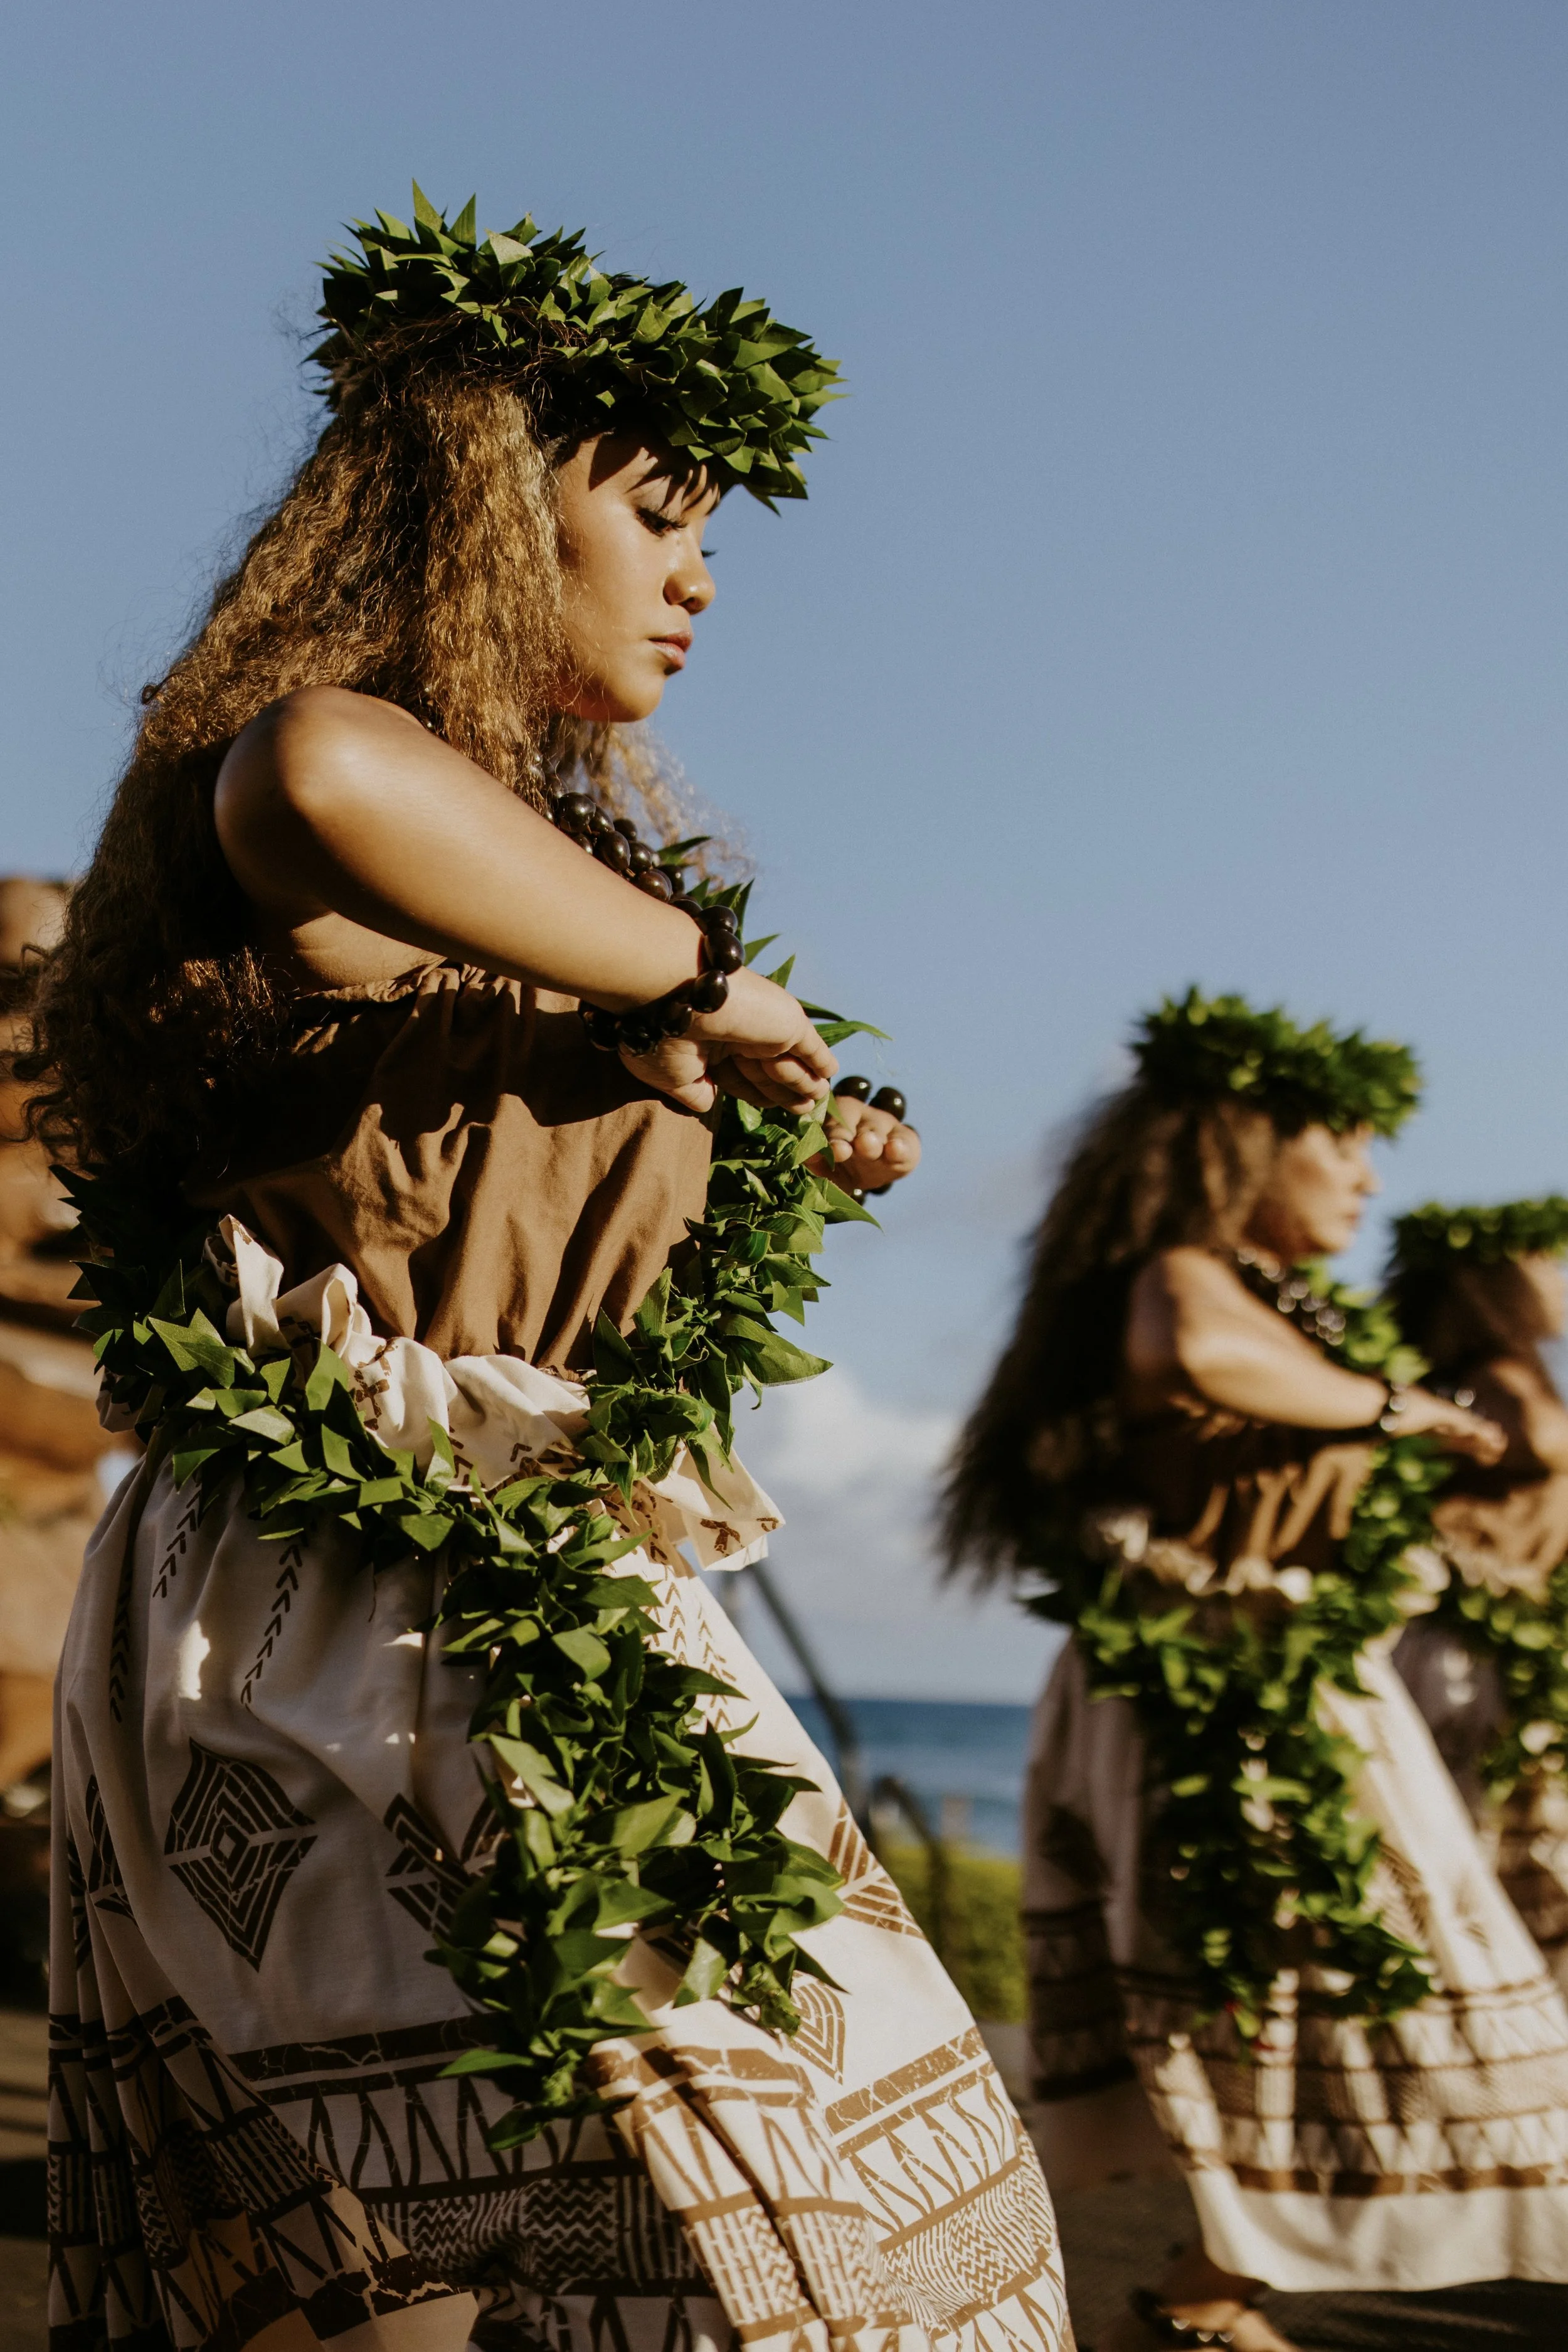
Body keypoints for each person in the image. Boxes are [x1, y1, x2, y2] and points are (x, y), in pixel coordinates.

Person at [29, 190, 1072, 2352]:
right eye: (660, 514)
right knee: (672, 2254)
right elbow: (326, 765)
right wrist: (697, 980)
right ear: (503, 513)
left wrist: (729, 1103)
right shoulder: (316, 776)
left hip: (539, 1586)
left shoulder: (529, 885)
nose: (701, 578)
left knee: (841, 2228)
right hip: (358, 1609)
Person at [943, 990, 1568, 2351]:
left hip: (1306, 1688)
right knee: (1335, 2001)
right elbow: (1194, 1353)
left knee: (1357, 2008)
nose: (1366, 1173)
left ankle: (1205, 2300)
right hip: (1212, 1695)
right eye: (1337, 1140)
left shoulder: (1286, 1301)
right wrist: (1400, 1407)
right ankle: (1197, 2302)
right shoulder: (1182, 1270)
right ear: (1240, 1143)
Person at [1388, 1199, 1568, 1985]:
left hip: (1512, 1661)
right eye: (1545, 1262)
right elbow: (1533, 1436)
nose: (1561, 1280)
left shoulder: (1509, 1373)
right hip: (1466, 1663)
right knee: (1476, 1870)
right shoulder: (1489, 1380)